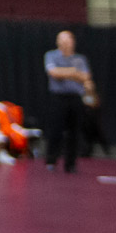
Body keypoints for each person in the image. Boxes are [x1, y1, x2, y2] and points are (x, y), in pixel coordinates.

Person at [43, 30, 91, 173]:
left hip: (75, 98)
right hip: (58, 98)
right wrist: (74, 73)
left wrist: (67, 73)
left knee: (74, 132)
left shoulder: (80, 59)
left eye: (66, 40)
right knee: (56, 129)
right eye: (60, 40)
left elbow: (86, 77)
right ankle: (51, 159)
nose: (63, 43)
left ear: (72, 42)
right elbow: (54, 73)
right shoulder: (51, 55)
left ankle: (71, 163)